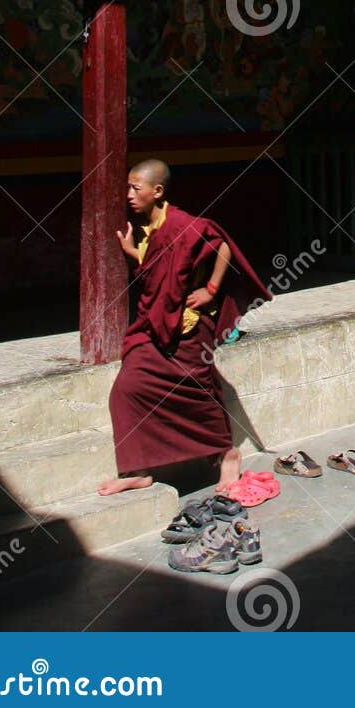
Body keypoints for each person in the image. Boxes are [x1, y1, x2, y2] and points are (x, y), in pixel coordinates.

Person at [97, 159, 270, 496]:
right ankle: (138, 470)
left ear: (157, 191)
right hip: (155, 327)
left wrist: (211, 289)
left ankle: (227, 455)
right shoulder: (152, 228)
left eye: (135, 188)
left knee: (199, 394)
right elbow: (162, 271)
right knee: (126, 388)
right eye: (128, 187)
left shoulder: (182, 224)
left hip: (189, 329)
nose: (129, 194)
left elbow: (221, 245)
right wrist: (135, 254)